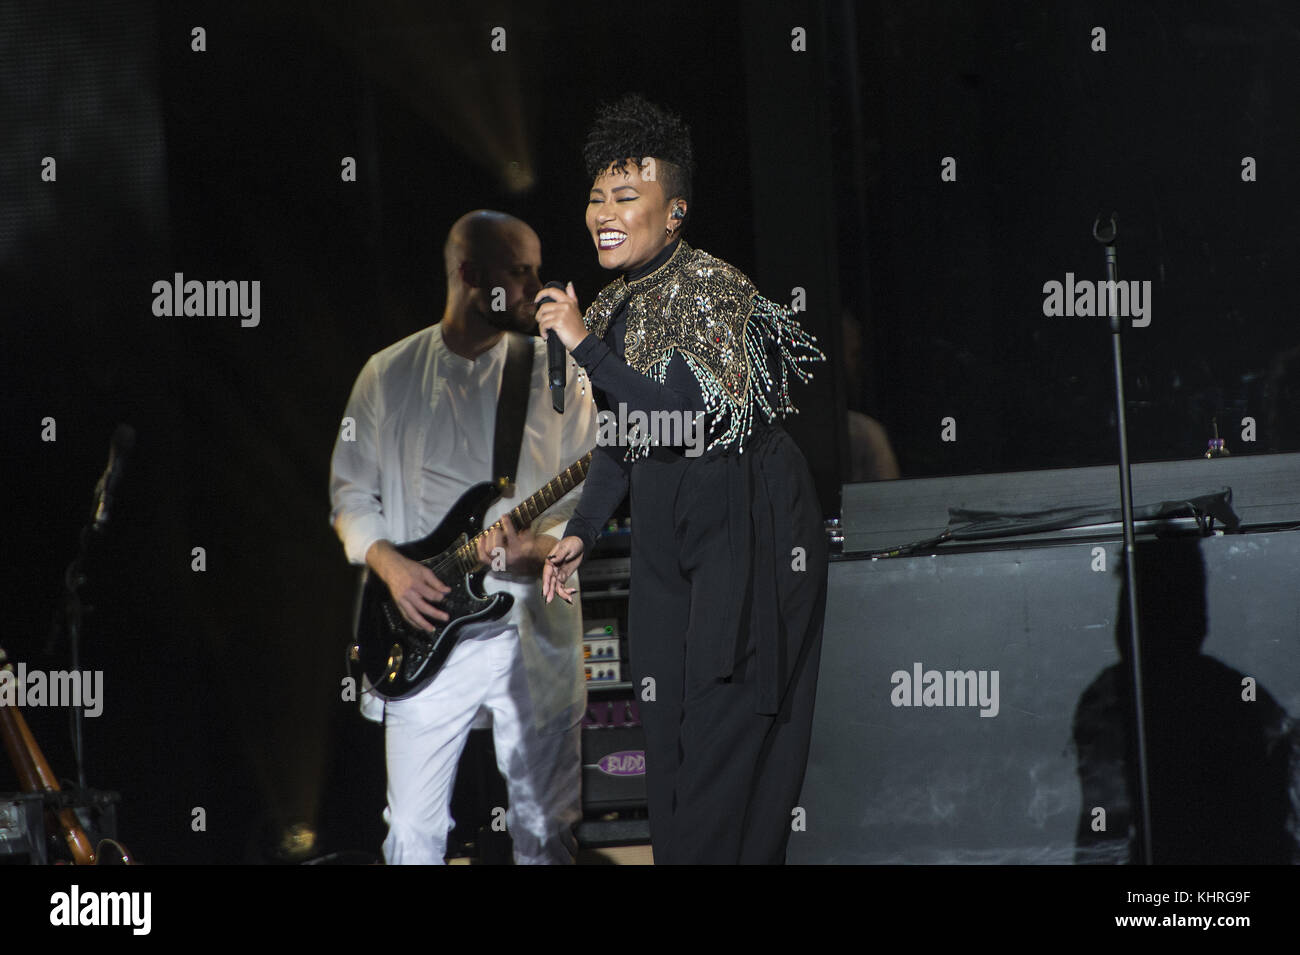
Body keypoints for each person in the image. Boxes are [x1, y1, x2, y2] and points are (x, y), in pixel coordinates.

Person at [535, 94, 829, 864]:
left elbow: (686, 419)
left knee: (723, 734)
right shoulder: (612, 305)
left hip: (745, 519)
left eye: (626, 196)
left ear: (675, 212)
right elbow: (625, 435)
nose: (604, 210)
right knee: (666, 742)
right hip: (670, 530)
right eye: (597, 195)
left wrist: (582, 346)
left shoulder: (712, 291)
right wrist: (580, 531)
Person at [329, 210, 598, 864]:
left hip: (529, 627)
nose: (538, 286)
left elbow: (591, 500)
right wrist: (390, 565)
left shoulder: (560, 375)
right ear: (471, 275)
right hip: (420, 632)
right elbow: (348, 493)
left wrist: (537, 548)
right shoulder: (387, 375)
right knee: (414, 836)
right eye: (520, 270)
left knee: (545, 829)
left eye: (539, 269)